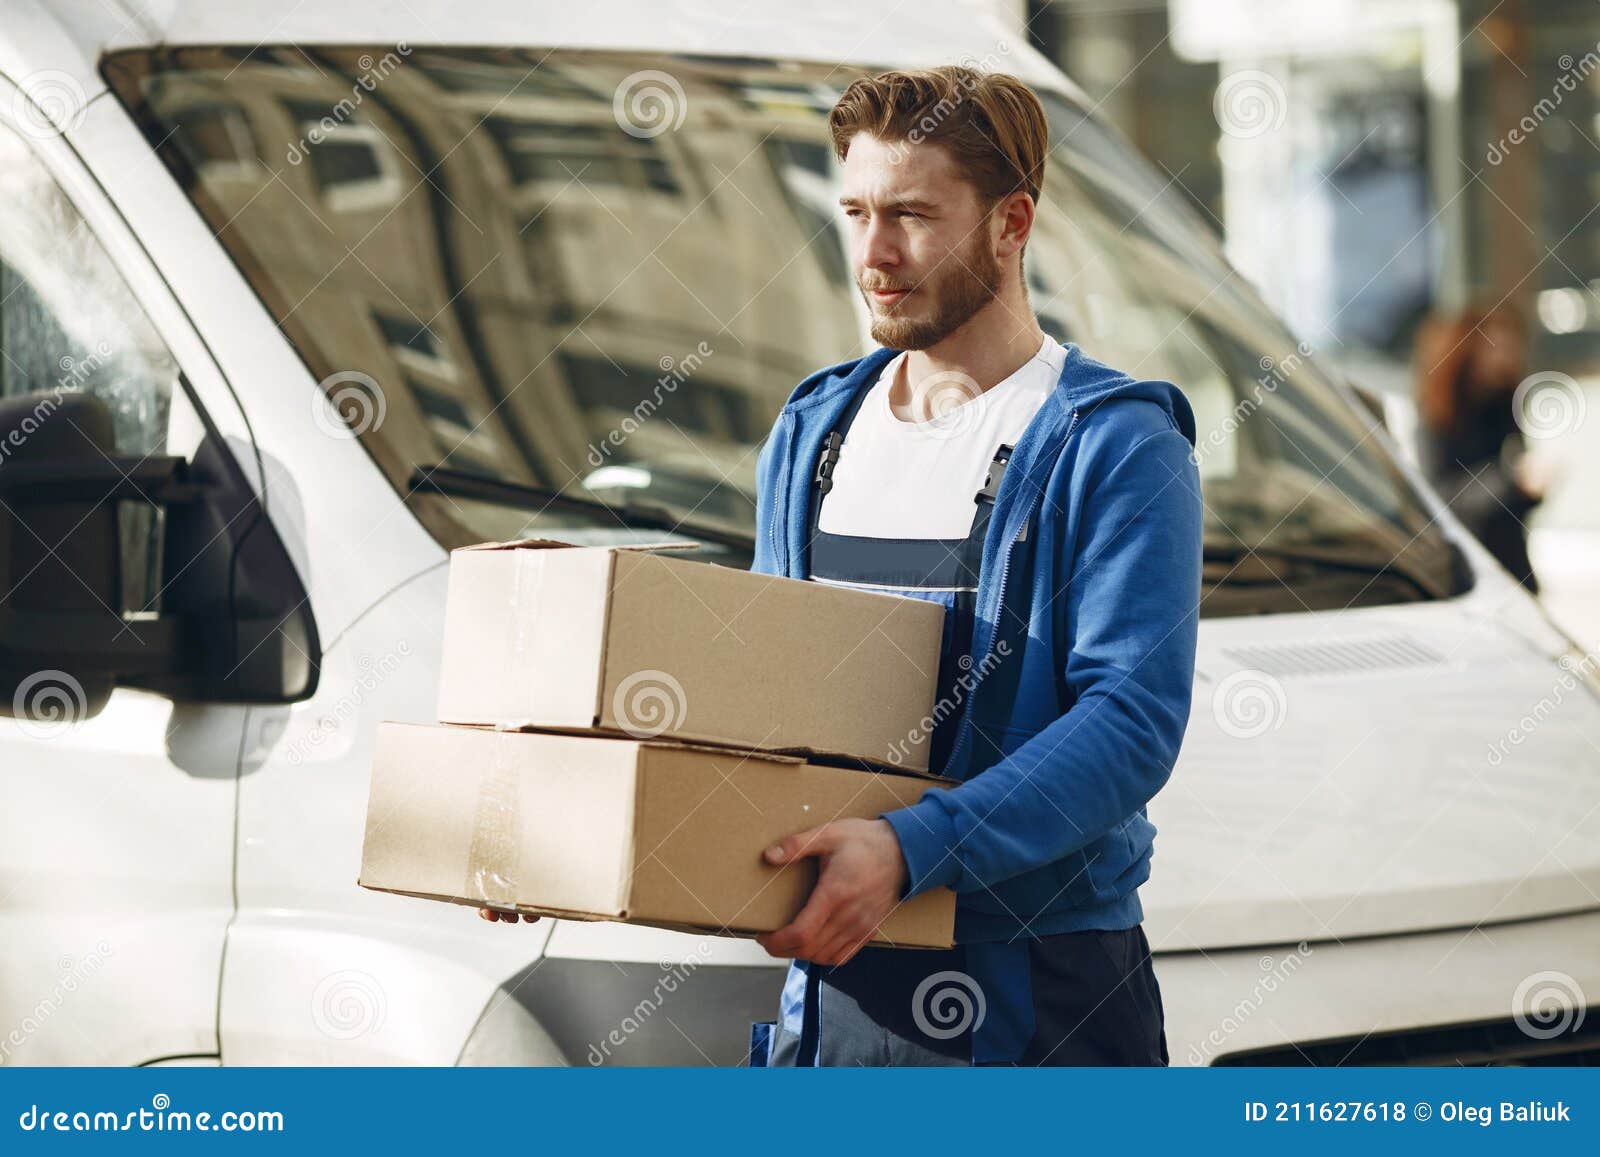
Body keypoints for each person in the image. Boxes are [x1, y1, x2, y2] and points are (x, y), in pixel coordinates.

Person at [741, 65, 1203, 1067]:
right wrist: (568, 847)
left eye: (911, 214)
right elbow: (755, 696)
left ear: (1011, 222)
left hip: (1038, 1000)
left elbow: (1131, 720)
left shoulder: (1112, 443)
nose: (874, 252)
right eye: (856, 211)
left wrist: (911, 848)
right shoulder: (813, 429)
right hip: (832, 998)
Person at [1414, 308, 1546, 592]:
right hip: (1468, 570)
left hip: (1512, 561)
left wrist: (1531, 487)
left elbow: (1514, 500)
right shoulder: (1438, 417)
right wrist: (1510, 480)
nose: (1505, 358)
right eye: (1496, 348)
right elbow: (1444, 499)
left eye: (1511, 348)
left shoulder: (1504, 405)